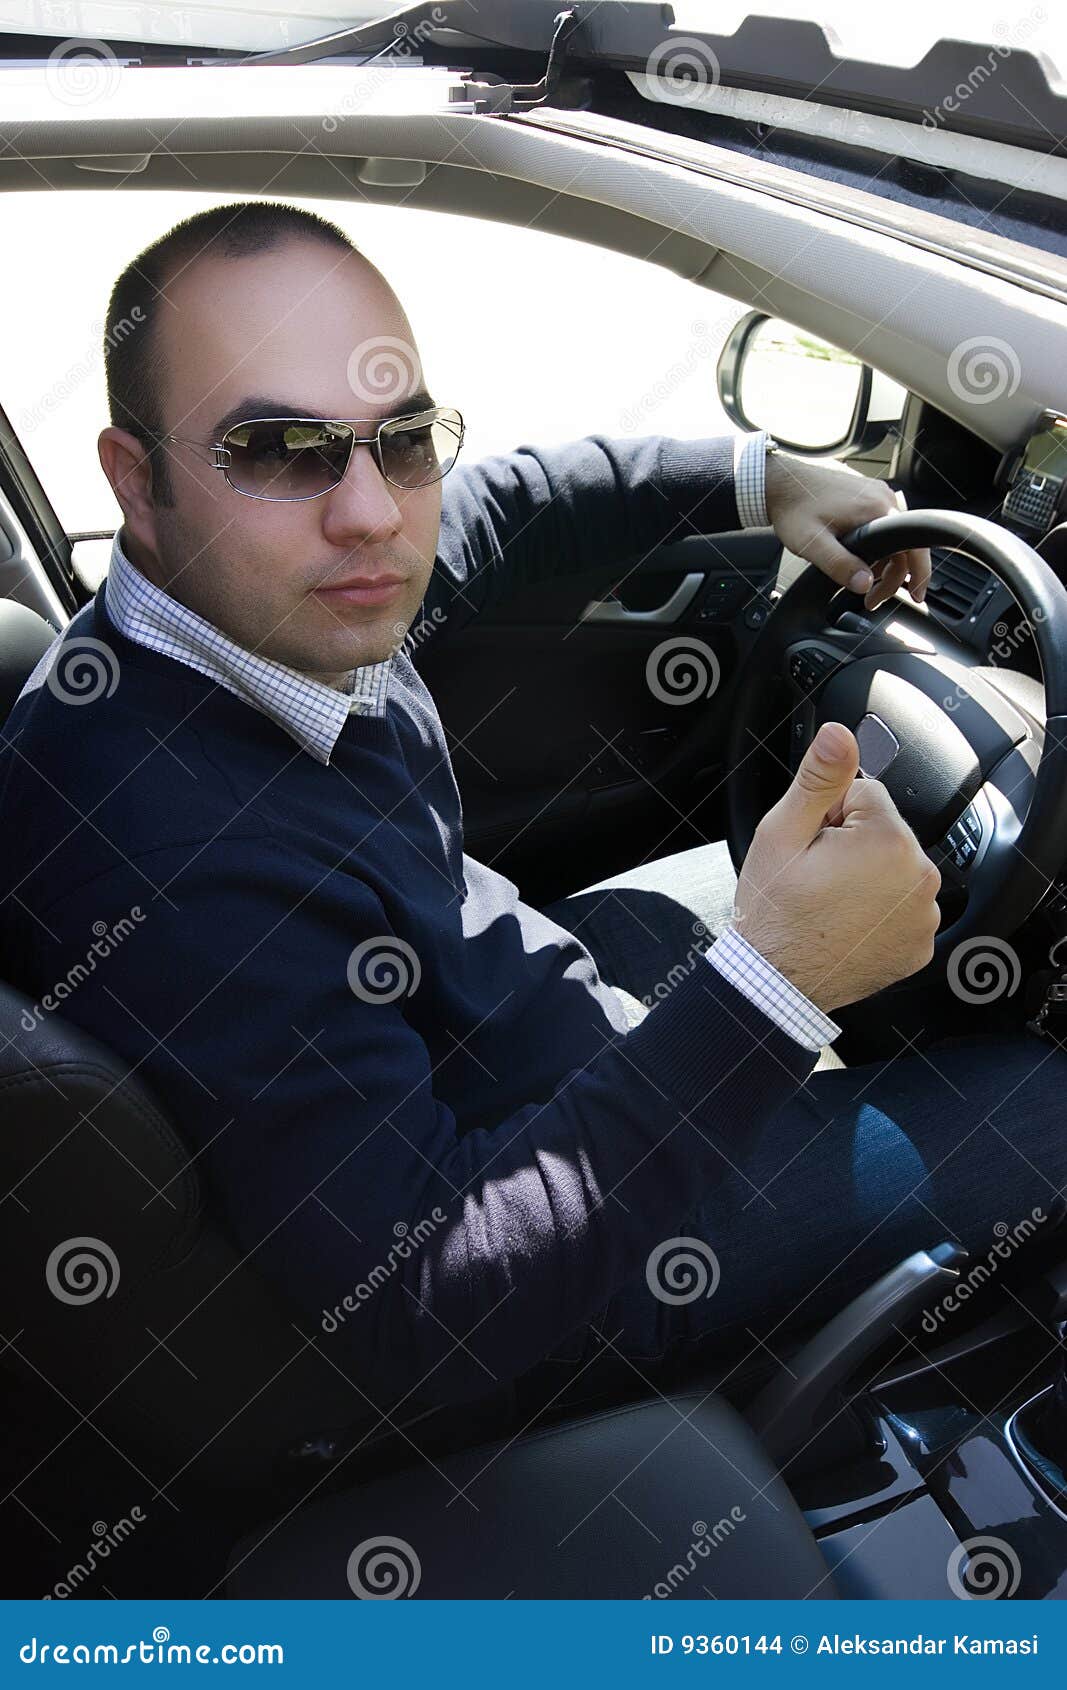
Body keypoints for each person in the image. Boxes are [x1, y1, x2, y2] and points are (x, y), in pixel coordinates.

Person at [1, 200, 1061, 1424]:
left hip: (515, 1033)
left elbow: (508, 501)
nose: (370, 512)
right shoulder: (173, 859)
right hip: (579, 1257)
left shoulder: (272, 598)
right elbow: (422, 1306)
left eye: (399, 440)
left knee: (728, 932)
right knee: (1039, 1100)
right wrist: (773, 984)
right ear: (135, 481)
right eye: (276, 449)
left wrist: (757, 476)